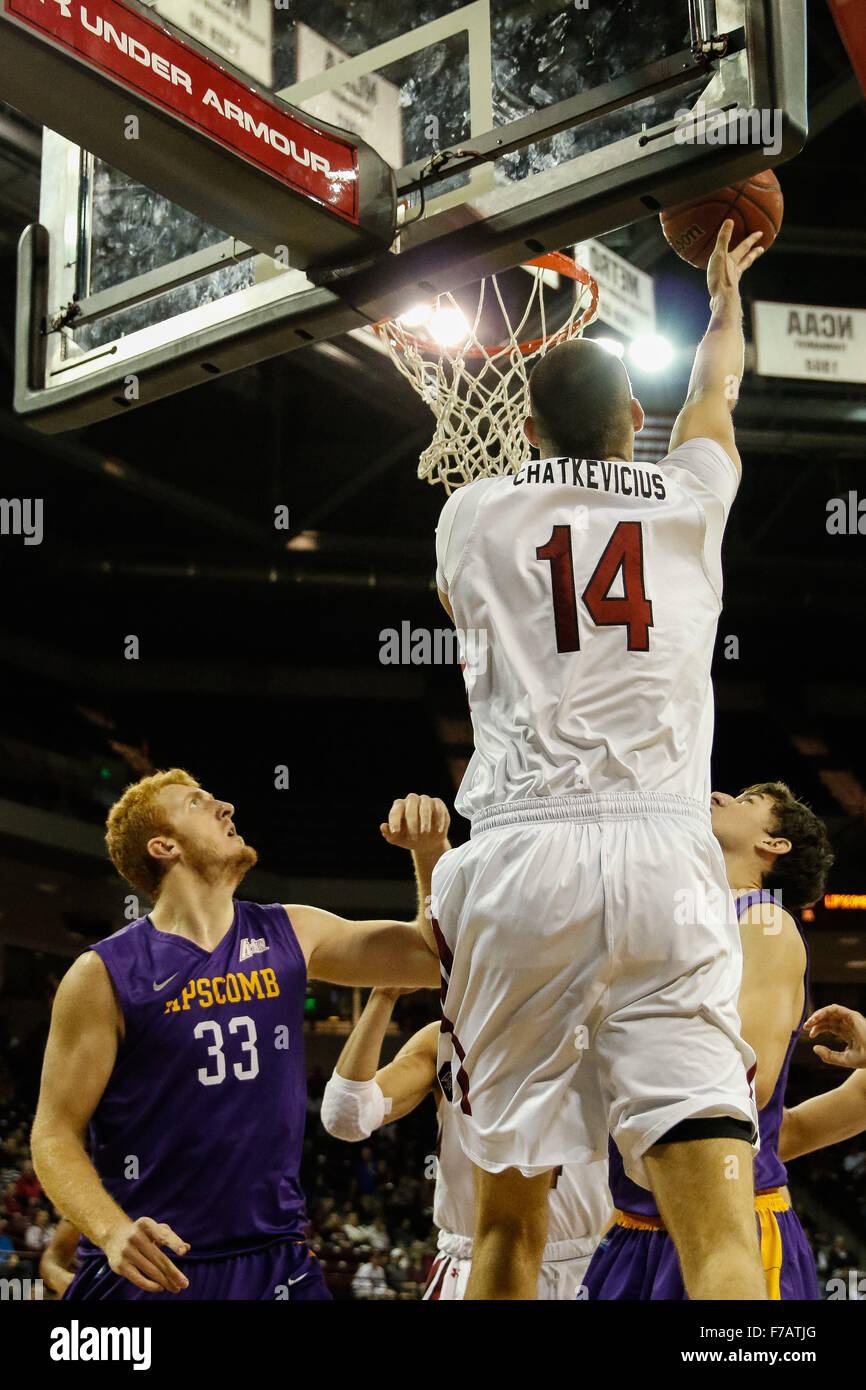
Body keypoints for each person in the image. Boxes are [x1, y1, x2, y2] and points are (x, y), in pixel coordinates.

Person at [431, 220, 769, 1300]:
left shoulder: (469, 515)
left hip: (523, 863)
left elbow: (486, 576)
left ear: (523, 428)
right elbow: (712, 397)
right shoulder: (690, 501)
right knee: (716, 1234)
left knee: (506, 1232)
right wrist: (719, 306)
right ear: (636, 419)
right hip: (666, 862)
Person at [30, 770, 442, 1300]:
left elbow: (432, 959)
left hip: (276, 1258)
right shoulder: (104, 974)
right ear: (164, 846)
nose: (226, 806)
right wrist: (111, 1230)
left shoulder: (291, 929)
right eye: (198, 803)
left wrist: (431, 854)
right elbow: (53, 1135)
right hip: (151, 1269)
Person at [584, 781, 833, 1299]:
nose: (719, 794)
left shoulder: (764, 919)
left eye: (747, 802)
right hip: (635, 1218)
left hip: (735, 1216)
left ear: (774, 844)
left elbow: (751, 1084)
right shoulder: (684, 917)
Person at [322, 986, 613, 1300]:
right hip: (476, 1262)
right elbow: (348, 1116)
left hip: (585, 1266)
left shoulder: (607, 1034)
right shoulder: (443, 1041)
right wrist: (384, 994)